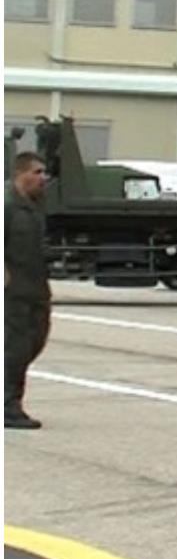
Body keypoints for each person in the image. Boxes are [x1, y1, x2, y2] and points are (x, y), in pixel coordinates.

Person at [6, 151, 54, 429]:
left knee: (35, 342)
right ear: (20, 174)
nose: (43, 178)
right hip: (13, 292)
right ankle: (9, 407)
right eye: (37, 172)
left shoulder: (35, 206)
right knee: (15, 348)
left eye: (44, 172)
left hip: (36, 287)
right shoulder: (7, 204)